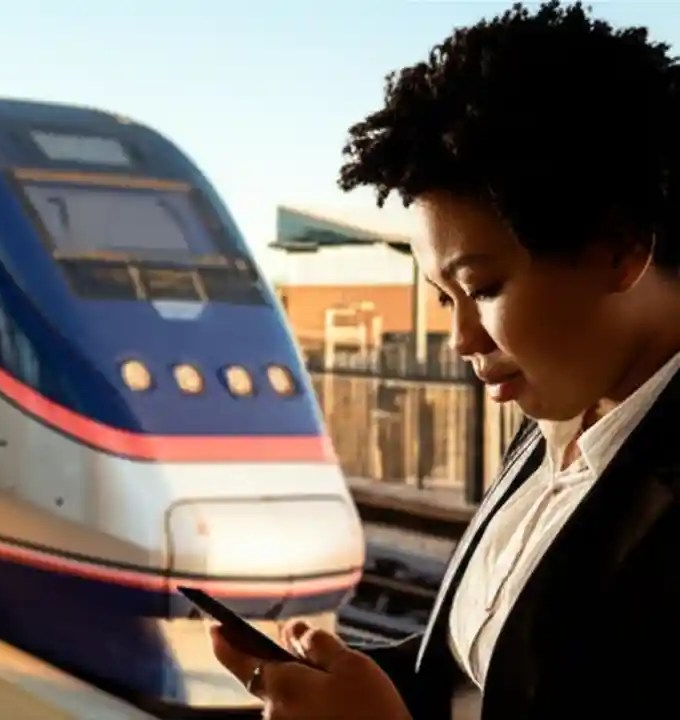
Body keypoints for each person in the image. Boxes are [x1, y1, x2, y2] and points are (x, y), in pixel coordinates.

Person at [211, 2, 680, 718]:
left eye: (482, 289)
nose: (460, 338)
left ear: (619, 250)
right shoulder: (559, 417)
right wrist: (355, 684)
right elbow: (486, 672)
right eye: (441, 296)